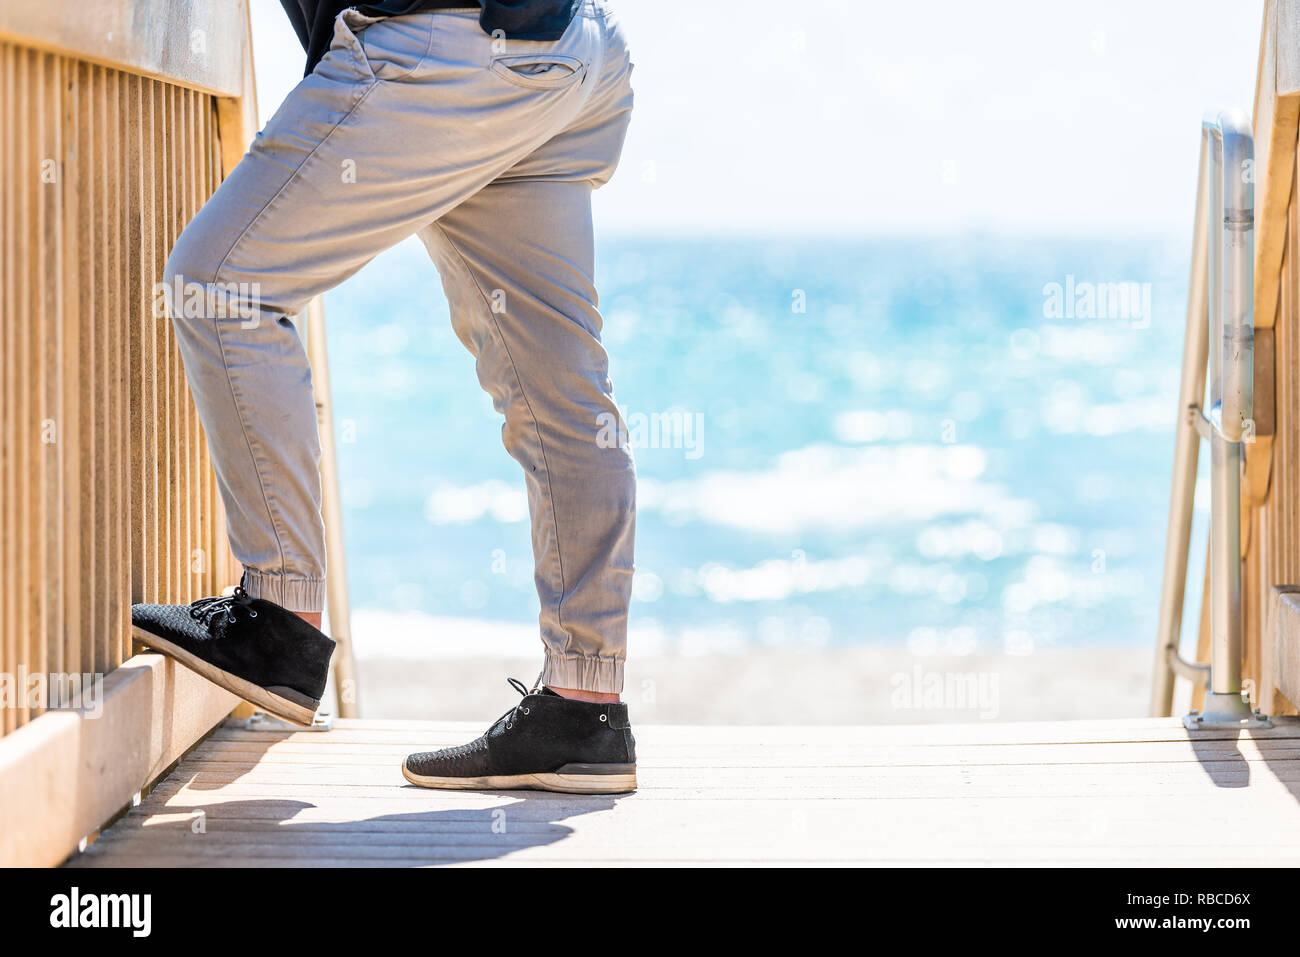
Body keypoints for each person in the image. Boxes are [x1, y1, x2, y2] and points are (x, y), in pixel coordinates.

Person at [129, 0, 638, 795]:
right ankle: (585, 703)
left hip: (447, 45)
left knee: (221, 286)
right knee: (557, 391)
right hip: (567, 50)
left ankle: (281, 614)